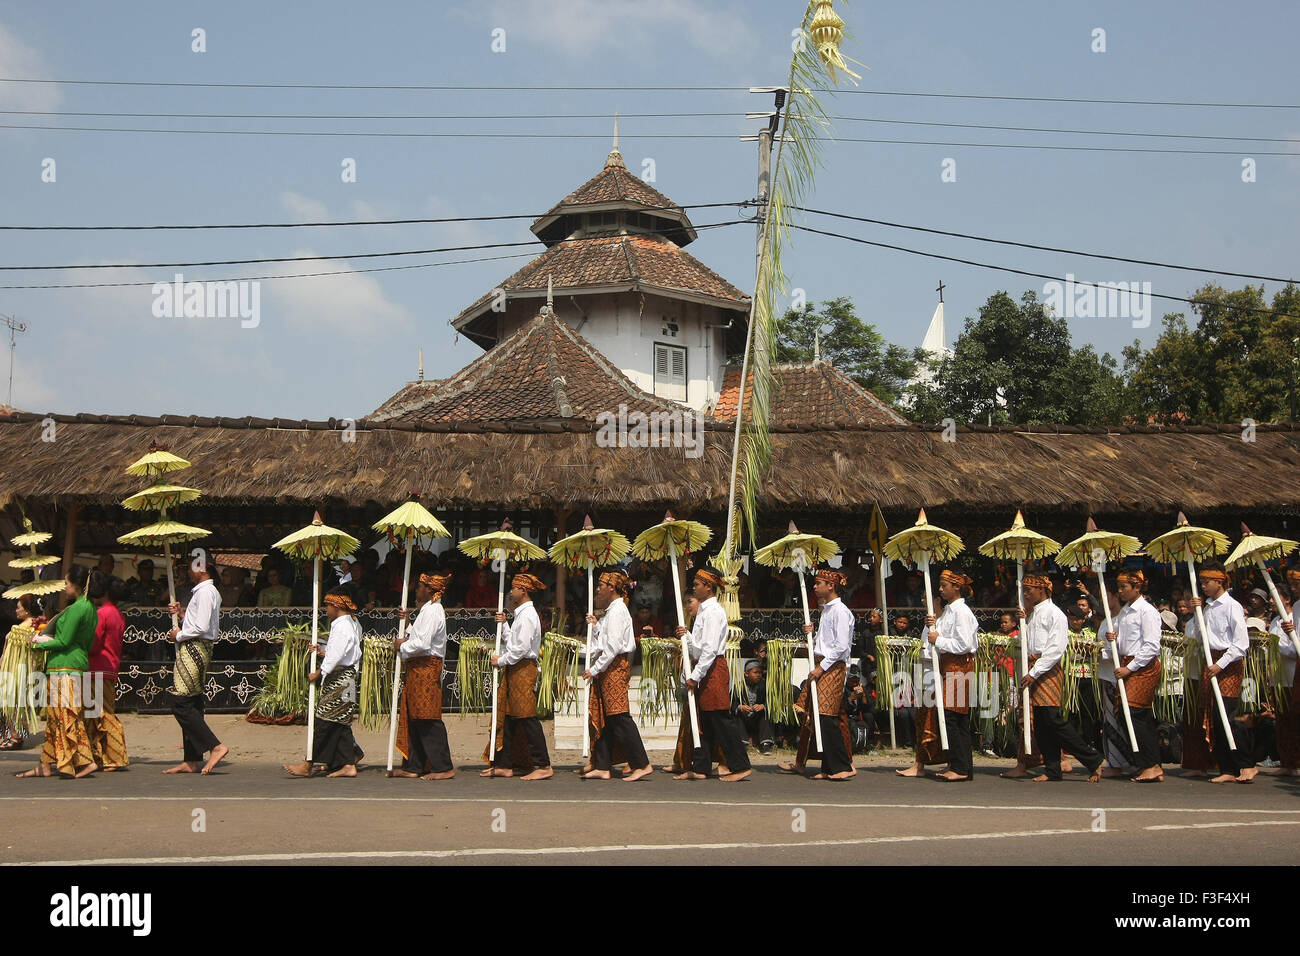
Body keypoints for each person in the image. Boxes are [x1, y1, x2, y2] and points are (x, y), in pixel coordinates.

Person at [1009, 573, 1103, 783]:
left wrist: (1035, 672)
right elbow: (1027, 643)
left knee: (1053, 719)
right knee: (1042, 722)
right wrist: (1023, 621)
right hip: (1032, 667)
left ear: (1042, 590)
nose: (1025, 594)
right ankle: (1052, 768)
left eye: (1029, 590)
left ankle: (1092, 758)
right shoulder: (1032, 614)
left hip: (1046, 669)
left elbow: (1055, 649)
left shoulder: (1055, 614)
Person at [16, 566, 99, 779]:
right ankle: (45, 763)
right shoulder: (89, 608)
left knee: (65, 716)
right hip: (74, 665)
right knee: (56, 719)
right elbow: (85, 642)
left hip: (65, 667)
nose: (65, 586)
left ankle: (84, 761)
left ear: (78, 586)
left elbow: (63, 641)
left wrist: (35, 644)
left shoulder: (77, 609)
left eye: (67, 583)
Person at [898, 570, 978, 782]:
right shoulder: (951, 611)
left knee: (954, 717)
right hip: (949, 666)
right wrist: (932, 628)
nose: (941, 589)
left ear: (956, 587)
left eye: (944, 585)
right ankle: (962, 766)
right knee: (955, 718)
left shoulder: (961, 612)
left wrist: (938, 639)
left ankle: (960, 767)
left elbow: (964, 644)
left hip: (959, 665)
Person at [676, 568, 751, 782]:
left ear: (708, 587)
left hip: (713, 668)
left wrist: (695, 676)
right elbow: (699, 647)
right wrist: (687, 637)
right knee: (705, 719)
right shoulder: (703, 611)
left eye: (697, 584)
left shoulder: (714, 611)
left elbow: (709, 650)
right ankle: (701, 767)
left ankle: (740, 765)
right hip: (705, 666)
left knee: (720, 718)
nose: (693, 587)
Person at [582, 569, 652, 781]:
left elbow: (611, 648)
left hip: (614, 666)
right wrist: (595, 626)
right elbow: (604, 642)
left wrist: (594, 669)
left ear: (611, 588)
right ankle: (603, 765)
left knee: (619, 715)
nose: (597, 589)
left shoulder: (618, 611)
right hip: (609, 666)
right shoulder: (611, 612)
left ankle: (641, 763)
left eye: (600, 586)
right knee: (607, 716)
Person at [1187, 565, 1255, 783]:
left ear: (1220, 582)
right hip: (1210, 660)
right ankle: (1226, 767)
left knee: (1227, 715)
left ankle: (1246, 764)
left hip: (1229, 662)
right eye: (1202, 582)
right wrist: (1196, 614)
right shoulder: (1206, 608)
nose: (1204, 586)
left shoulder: (1232, 606)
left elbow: (1241, 644)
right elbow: (1199, 637)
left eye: (1207, 581)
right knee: (1214, 715)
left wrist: (1221, 664)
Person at [284, 590, 363, 778]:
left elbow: (336, 655)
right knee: (340, 720)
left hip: (342, 678)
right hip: (348, 676)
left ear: (335, 607)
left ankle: (308, 763)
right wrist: (323, 651)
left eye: (327, 606)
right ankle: (349, 761)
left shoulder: (343, 625)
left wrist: (319, 673)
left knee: (324, 719)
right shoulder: (349, 623)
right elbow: (340, 651)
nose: (326, 610)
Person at [165, 549, 229, 775]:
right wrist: (182, 615)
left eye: (191, 565)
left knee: (180, 701)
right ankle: (191, 758)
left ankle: (215, 746)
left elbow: (201, 628)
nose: (188, 569)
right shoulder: (204, 592)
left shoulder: (205, 592)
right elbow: (200, 622)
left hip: (194, 647)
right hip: (196, 646)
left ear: (201, 567)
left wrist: (179, 634)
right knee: (191, 701)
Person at [483, 573, 553, 780]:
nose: (510, 592)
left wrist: (501, 660)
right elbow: (514, 641)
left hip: (523, 668)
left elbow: (520, 649)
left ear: (523, 591)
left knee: (527, 717)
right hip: (517, 668)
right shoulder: (521, 615)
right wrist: (504, 624)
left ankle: (544, 764)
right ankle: (506, 763)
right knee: (511, 716)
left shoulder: (528, 615)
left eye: (513, 588)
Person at [390, 572, 456, 780]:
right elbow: (418, 636)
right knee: (415, 717)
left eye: (420, 586)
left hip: (426, 668)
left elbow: (422, 644)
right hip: (417, 668)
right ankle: (414, 765)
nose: (417, 589)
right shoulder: (426, 611)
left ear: (429, 589)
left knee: (428, 718)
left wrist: (402, 645)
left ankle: (443, 766)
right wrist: (408, 623)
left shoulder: (434, 611)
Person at [1103, 570, 1164, 782]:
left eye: (1123, 587)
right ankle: (1148, 762)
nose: (1120, 592)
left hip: (1143, 666)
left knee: (1134, 711)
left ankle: (1151, 764)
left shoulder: (1147, 612)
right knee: (1132, 715)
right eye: (1118, 588)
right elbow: (1120, 644)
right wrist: (1112, 641)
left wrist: (1131, 668)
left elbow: (1151, 646)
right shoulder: (1124, 613)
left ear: (1137, 587)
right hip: (1127, 663)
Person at [86, 575, 129, 772]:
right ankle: (100, 755)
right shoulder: (117, 614)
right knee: (97, 714)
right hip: (109, 667)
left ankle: (114, 756)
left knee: (101, 715)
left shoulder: (102, 614)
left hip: (97, 668)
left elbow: (93, 644)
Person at [1262, 570, 1298, 776]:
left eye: (1275, 597)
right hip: (1278, 678)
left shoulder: (1293, 619)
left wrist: (1280, 646)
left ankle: (1294, 761)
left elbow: (1294, 651)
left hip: (1293, 676)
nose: (1271, 602)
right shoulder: (1275, 621)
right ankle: (1287, 762)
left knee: (1294, 719)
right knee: (1282, 720)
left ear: (1286, 599)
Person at [735, 660, 775, 753]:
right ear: (746, 674)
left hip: (757, 720)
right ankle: (742, 743)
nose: (758, 675)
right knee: (738, 716)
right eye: (755, 672)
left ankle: (766, 744)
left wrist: (763, 706)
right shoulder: (738, 687)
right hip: (745, 719)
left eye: (760, 673)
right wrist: (740, 707)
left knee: (764, 714)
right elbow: (732, 703)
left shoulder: (765, 686)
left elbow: (772, 702)